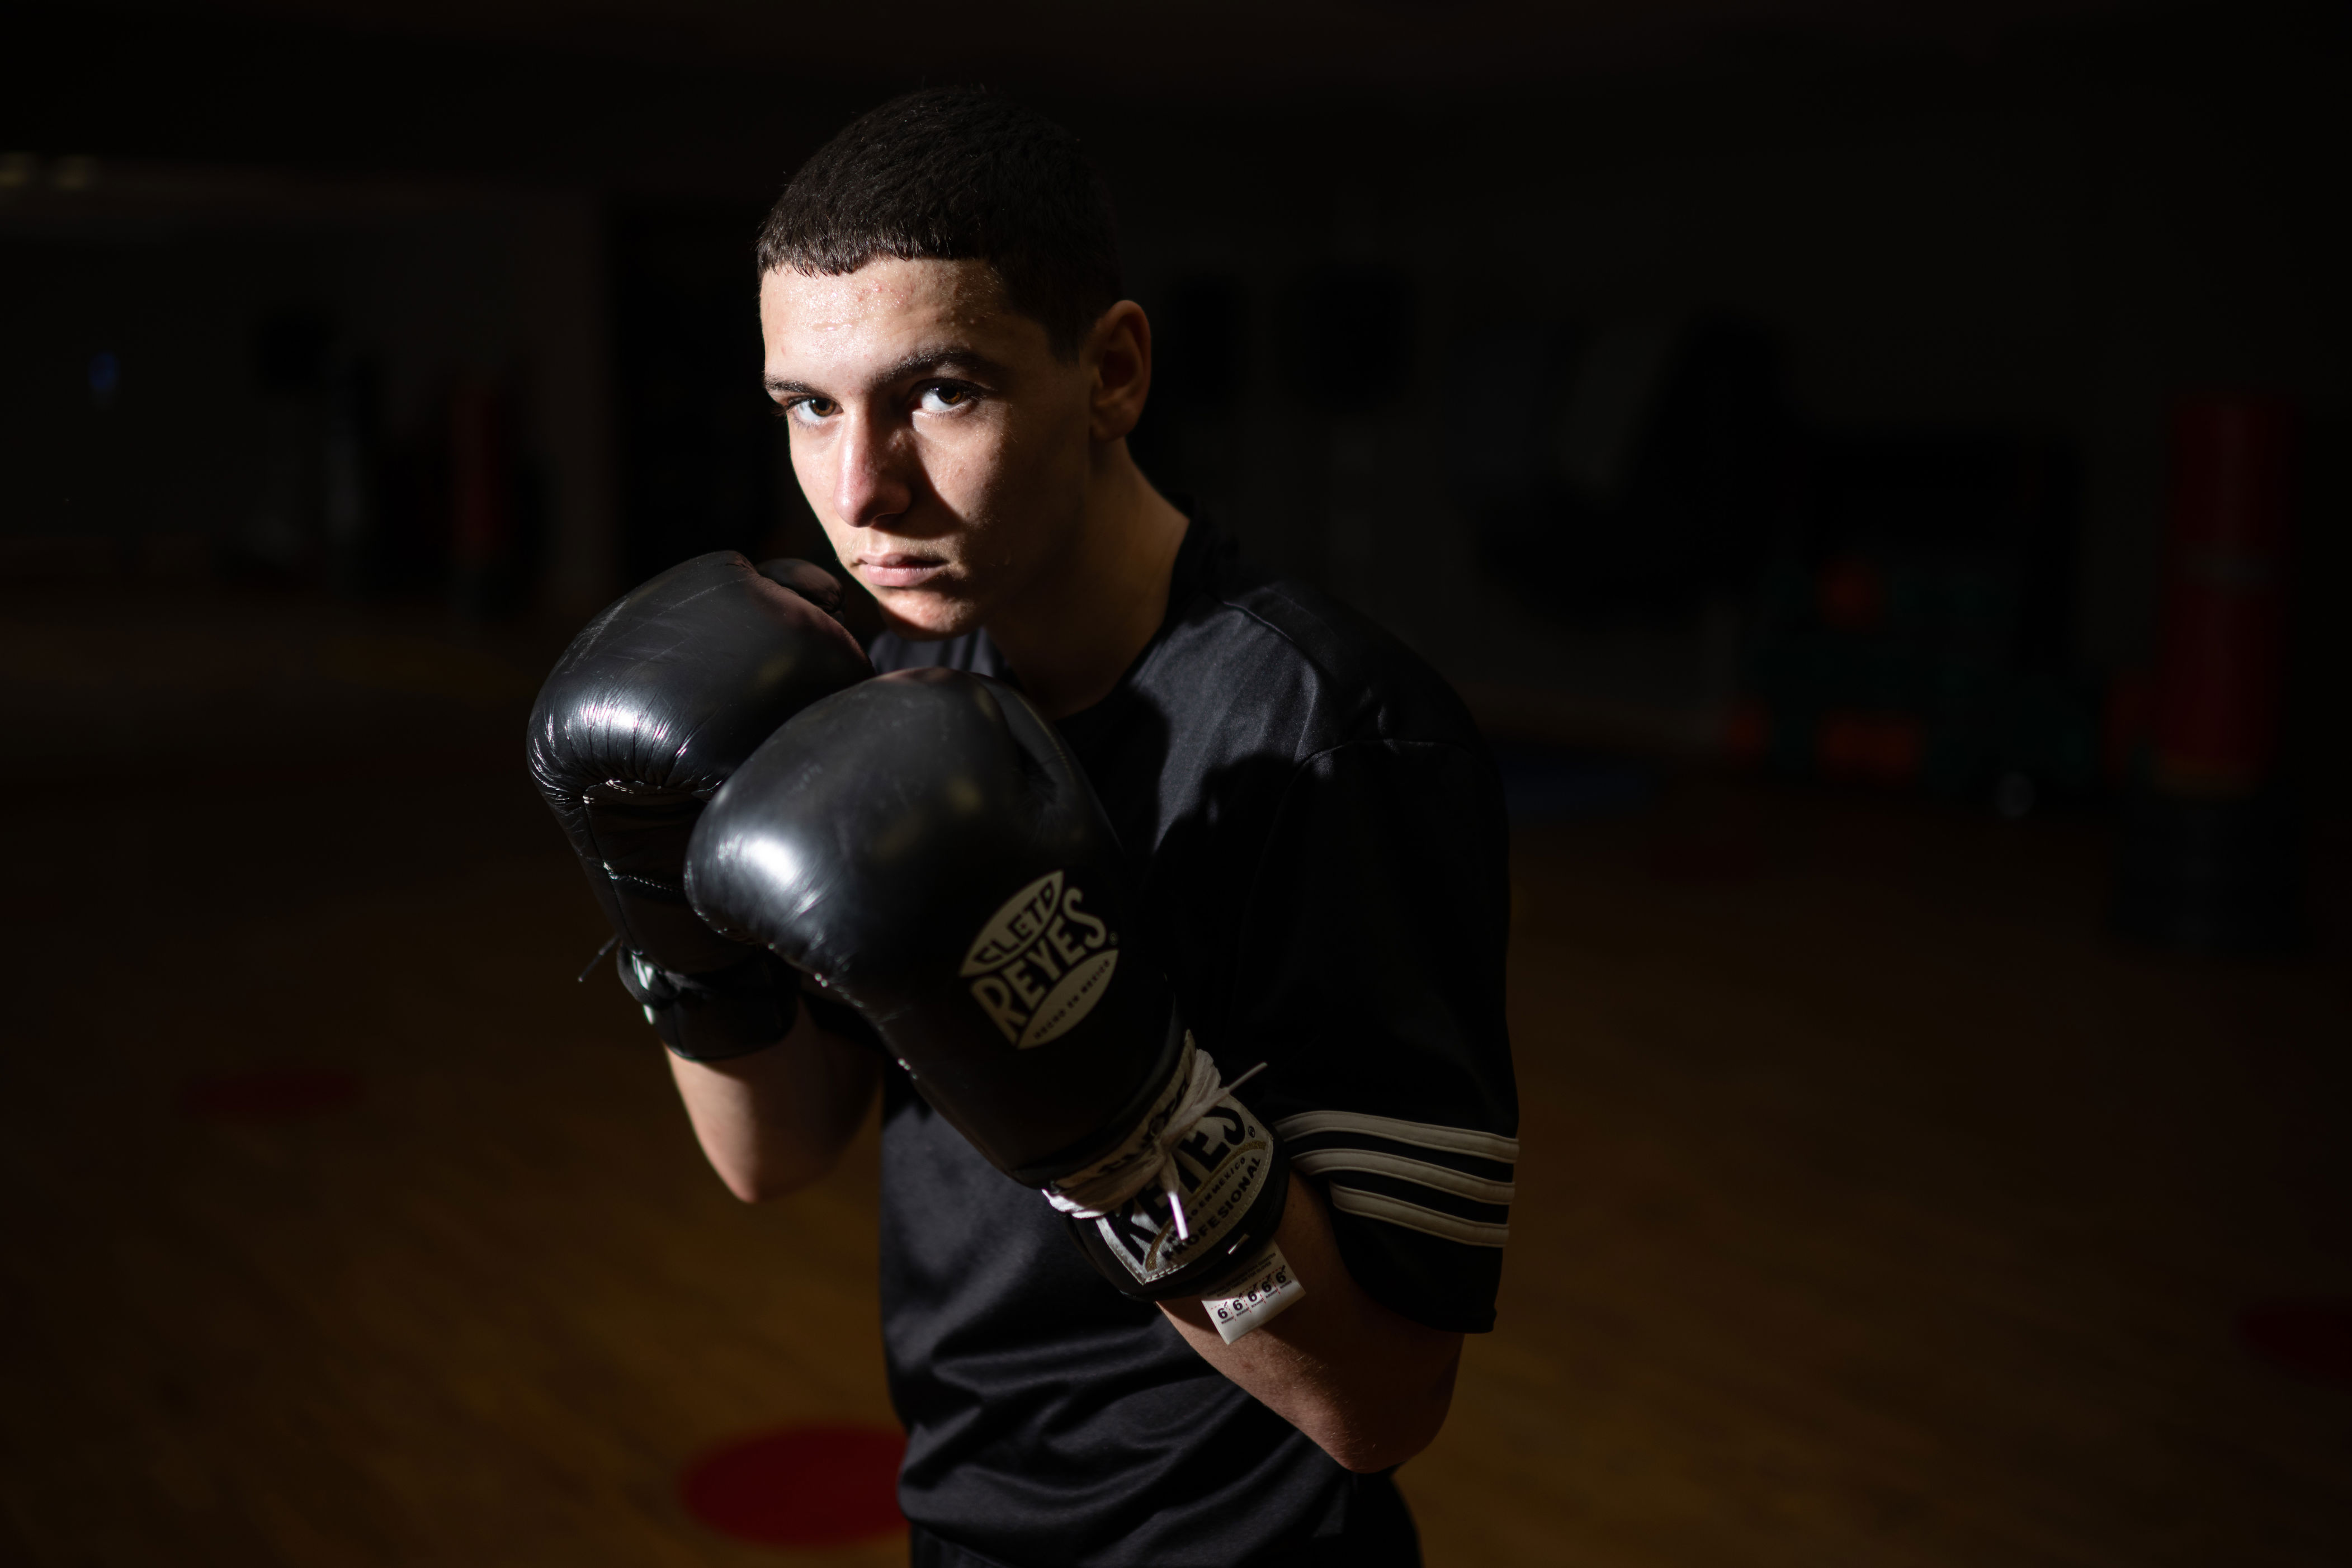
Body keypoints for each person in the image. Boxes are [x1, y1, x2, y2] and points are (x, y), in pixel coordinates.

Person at [635, 88, 1512, 1567]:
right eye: (810, 407)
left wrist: (1120, 1123)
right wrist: (653, 878)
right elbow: (771, 1153)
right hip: (963, 1523)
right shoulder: (898, 681)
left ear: (1110, 372)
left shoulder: (1331, 735)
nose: (863, 491)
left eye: (941, 392)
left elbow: (1380, 1404)